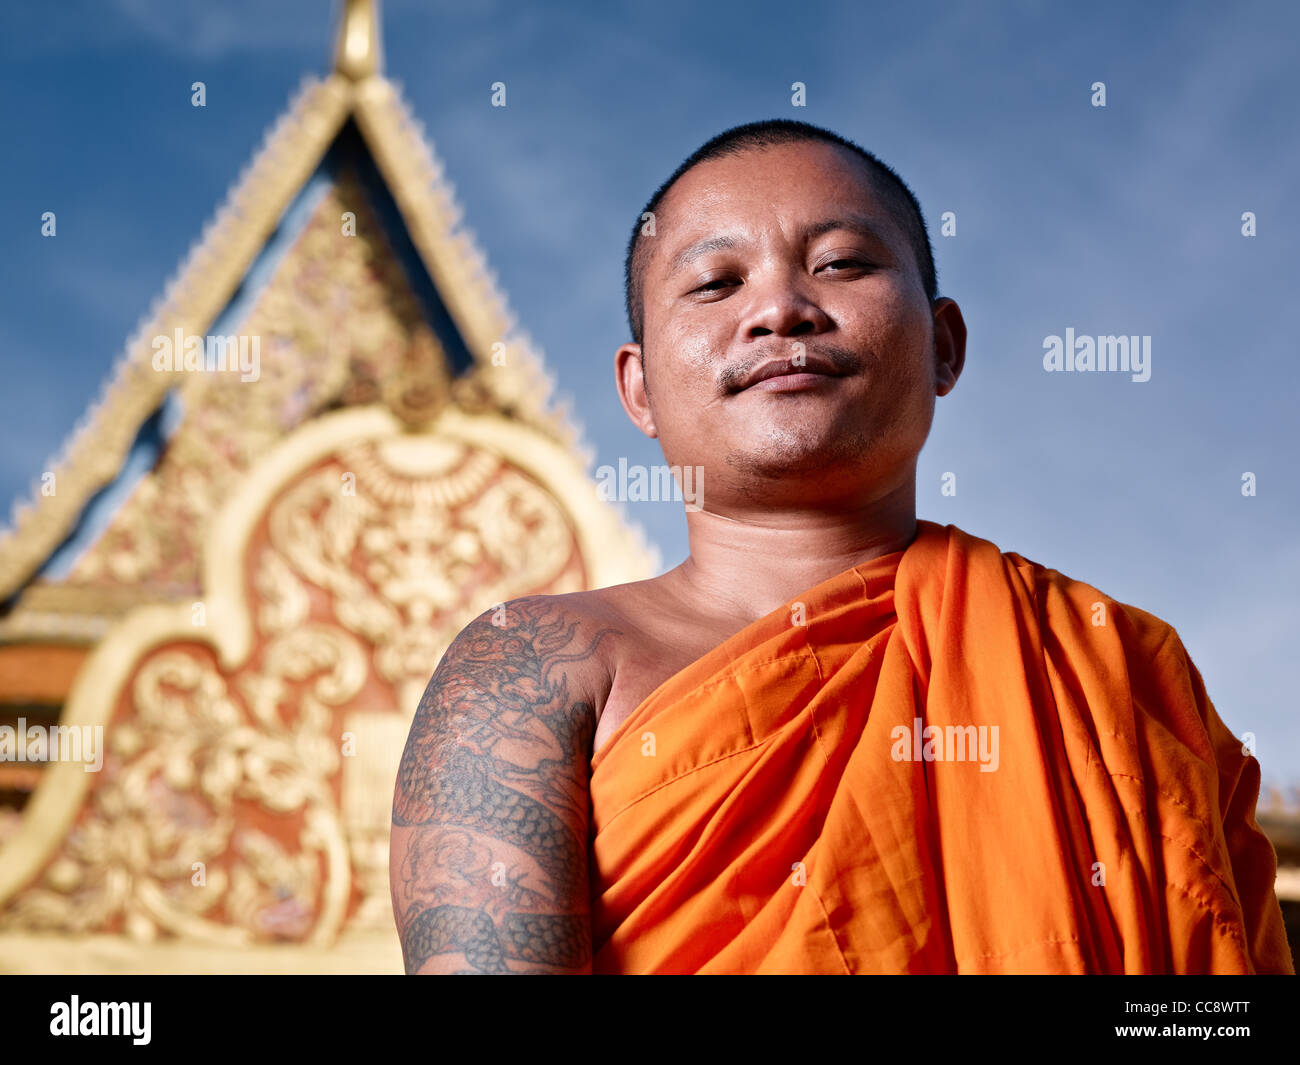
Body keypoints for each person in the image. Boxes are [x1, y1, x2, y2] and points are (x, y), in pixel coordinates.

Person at [388, 118, 1293, 975]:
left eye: (843, 264)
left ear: (944, 345)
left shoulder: (1114, 664)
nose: (780, 308)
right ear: (640, 391)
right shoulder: (533, 667)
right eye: (715, 283)